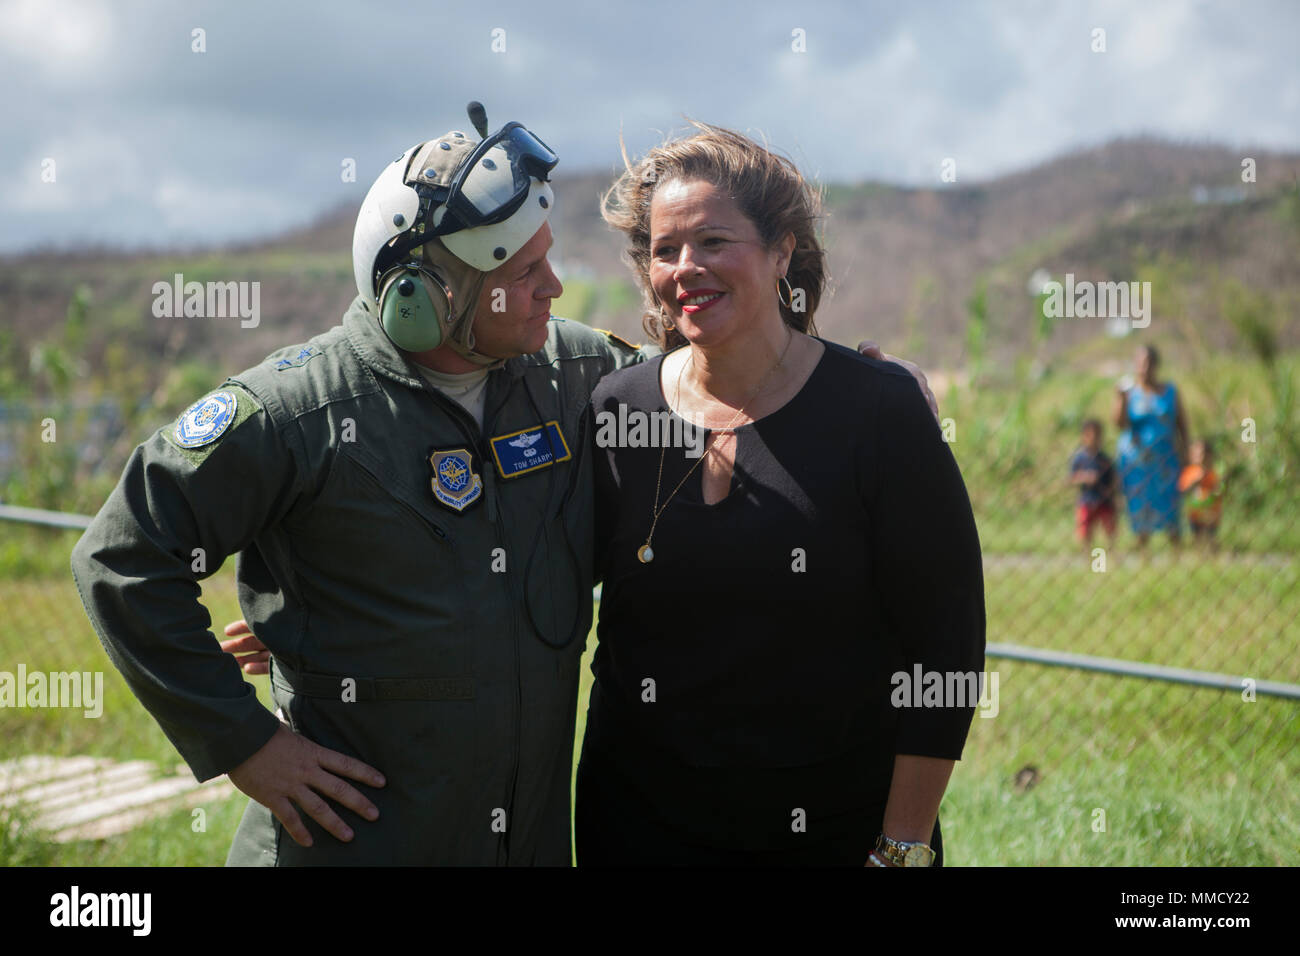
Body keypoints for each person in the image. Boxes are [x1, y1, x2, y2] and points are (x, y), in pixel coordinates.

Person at [74, 104, 938, 866]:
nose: (554, 289)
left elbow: (715, 381)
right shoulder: (294, 413)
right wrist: (246, 743)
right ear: (428, 297)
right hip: (352, 848)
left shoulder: (573, 373)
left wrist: (846, 379)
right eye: (525, 276)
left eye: (546, 261)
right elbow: (121, 559)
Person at [575, 123, 986, 867]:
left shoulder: (879, 412)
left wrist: (901, 847)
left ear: (782, 251)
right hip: (636, 828)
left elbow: (946, 650)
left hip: (834, 832)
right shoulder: (616, 409)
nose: (686, 268)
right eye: (665, 250)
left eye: (713, 241)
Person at [1113, 344, 1189, 550]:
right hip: (1136, 462)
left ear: (1156, 365)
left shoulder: (1169, 392)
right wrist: (1120, 399)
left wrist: (1187, 453)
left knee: (1169, 501)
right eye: (1139, 363)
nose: (1143, 368)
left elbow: (1181, 424)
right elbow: (1119, 424)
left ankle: (1177, 547)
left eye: (1147, 363)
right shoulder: (1129, 393)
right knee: (1139, 502)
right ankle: (1142, 546)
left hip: (1165, 459)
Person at [1068, 418, 1118, 551]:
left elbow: (1113, 479)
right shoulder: (1079, 459)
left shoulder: (1105, 459)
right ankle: (1088, 555)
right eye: (1090, 435)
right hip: (1086, 500)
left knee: (1109, 529)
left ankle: (1110, 553)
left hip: (1104, 500)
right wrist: (1085, 477)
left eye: (1097, 435)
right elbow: (1071, 478)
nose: (1094, 439)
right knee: (1085, 530)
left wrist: (1111, 491)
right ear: (1083, 436)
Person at [1179, 438, 1224, 550]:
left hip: (1211, 512)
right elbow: (1183, 489)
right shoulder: (1189, 472)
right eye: (1197, 454)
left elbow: (1219, 490)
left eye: (1204, 454)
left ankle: (1212, 552)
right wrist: (1196, 482)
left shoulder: (1213, 473)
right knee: (1197, 536)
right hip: (1195, 513)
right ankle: (1199, 552)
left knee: (1210, 536)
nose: (1201, 457)